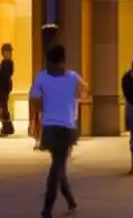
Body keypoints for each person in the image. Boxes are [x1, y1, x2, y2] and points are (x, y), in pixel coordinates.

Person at [30, 43, 90, 218]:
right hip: (65, 128)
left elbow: (35, 102)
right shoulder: (72, 78)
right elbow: (84, 91)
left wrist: (46, 109)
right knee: (57, 166)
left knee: (58, 164)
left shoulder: (42, 78)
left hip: (50, 128)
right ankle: (48, 206)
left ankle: (69, 200)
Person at [0, 43, 15, 136]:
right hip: (2, 87)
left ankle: (7, 126)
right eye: (7, 51)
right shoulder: (5, 62)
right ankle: (7, 126)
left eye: (9, 52)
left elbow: (6, 76)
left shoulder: (8, 63)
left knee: (2, 107)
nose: (9, 53)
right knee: (1, 107)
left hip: (3, 88)